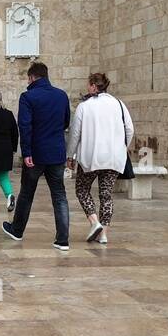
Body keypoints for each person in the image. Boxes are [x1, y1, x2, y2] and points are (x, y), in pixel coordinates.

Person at [2, 62, 72, 250]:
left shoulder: (28, 97)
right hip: (56, 153)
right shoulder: (61, 96)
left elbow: (25, 126)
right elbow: (66, 121)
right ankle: (63, 239)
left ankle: (17, 230)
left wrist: (27, 152)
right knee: (59, 195)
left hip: (36, 153)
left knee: (26, 193)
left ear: (32, 77)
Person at [66, 73, 134, 245]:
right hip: (113, 158)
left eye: (89, 85)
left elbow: (75, 134)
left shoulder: (85, 106)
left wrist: (70, 155)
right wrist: (121, 148)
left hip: (91, 155)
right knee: (106, 195)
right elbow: (130, 129)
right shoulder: (119, 104)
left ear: (94, 86)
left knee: (82, 189)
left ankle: (94, 221)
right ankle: (103, 233)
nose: (87, 88)